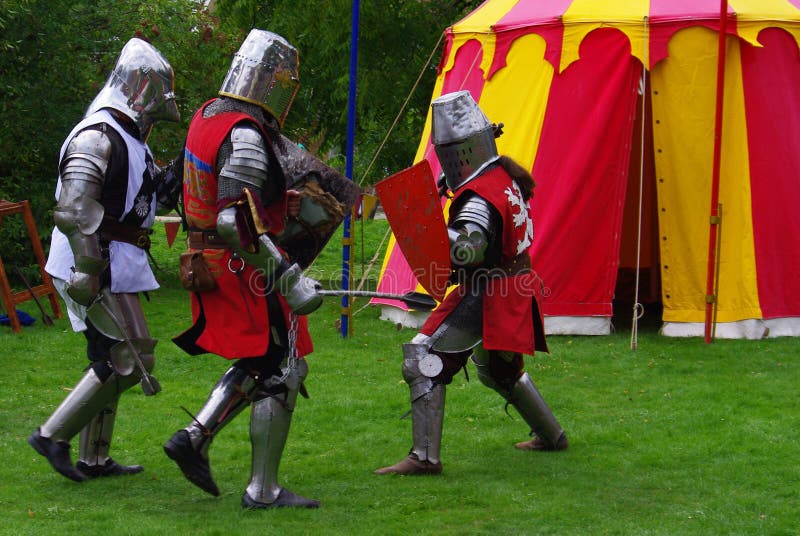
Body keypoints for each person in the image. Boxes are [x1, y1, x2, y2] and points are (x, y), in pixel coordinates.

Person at [165, 29, 325, 509]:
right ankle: (261, 489)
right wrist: (289, 277)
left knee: (265, 361)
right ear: (276, 82)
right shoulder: (244, 131)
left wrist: (281, 200)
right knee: (281, 368)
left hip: (216, 259)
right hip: (243, 264)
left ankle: (195, 438)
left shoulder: (206, 115)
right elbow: (234, 221)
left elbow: (214, 191)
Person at [375, 90, 568, 476]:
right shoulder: (501, 176)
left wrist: (430, 221)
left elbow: (469, 250)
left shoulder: (478, 196)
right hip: (512, 283)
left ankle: (424, 457)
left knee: (421, 358)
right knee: (497, 370)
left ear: (458, 149)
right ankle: (552, 435)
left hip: (489, 290)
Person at [29, 38, 181, 482]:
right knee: (130, 358)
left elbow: (145, 199)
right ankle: (52, 435)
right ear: (138, 88)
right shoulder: (97, 135)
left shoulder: (130, 138)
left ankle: (93, 459)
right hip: (93, 260)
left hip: (117, 258)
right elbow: (74, 210)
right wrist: (89, 269)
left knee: (115, 355)